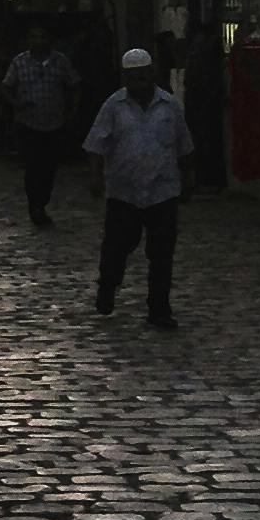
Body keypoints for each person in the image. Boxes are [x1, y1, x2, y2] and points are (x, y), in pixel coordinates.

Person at [85, 45, 194, 329]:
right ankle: (108, 285)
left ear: (152, 74)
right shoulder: (113, 106)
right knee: (117, 246)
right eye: (132, 77)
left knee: (161, 254)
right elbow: (97, 143)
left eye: (142, 76)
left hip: (162, 191)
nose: (138, 82)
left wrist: (188, 179)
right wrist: (96, 176)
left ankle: (159, 309)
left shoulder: (170, 106)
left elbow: (183, 146)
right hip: (124, 192)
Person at [0, 22, 82, 228]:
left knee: (49, 166)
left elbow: (74, 85)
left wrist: (73, 111)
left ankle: (42, 201)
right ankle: (35, 205)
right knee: (32, 166)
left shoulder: (60, 62)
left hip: (54, 122)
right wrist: (16, 104)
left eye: (42, 37)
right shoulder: (19, 62)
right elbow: (6, 86)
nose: (38, 41)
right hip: (27, 123)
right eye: (34, 37)